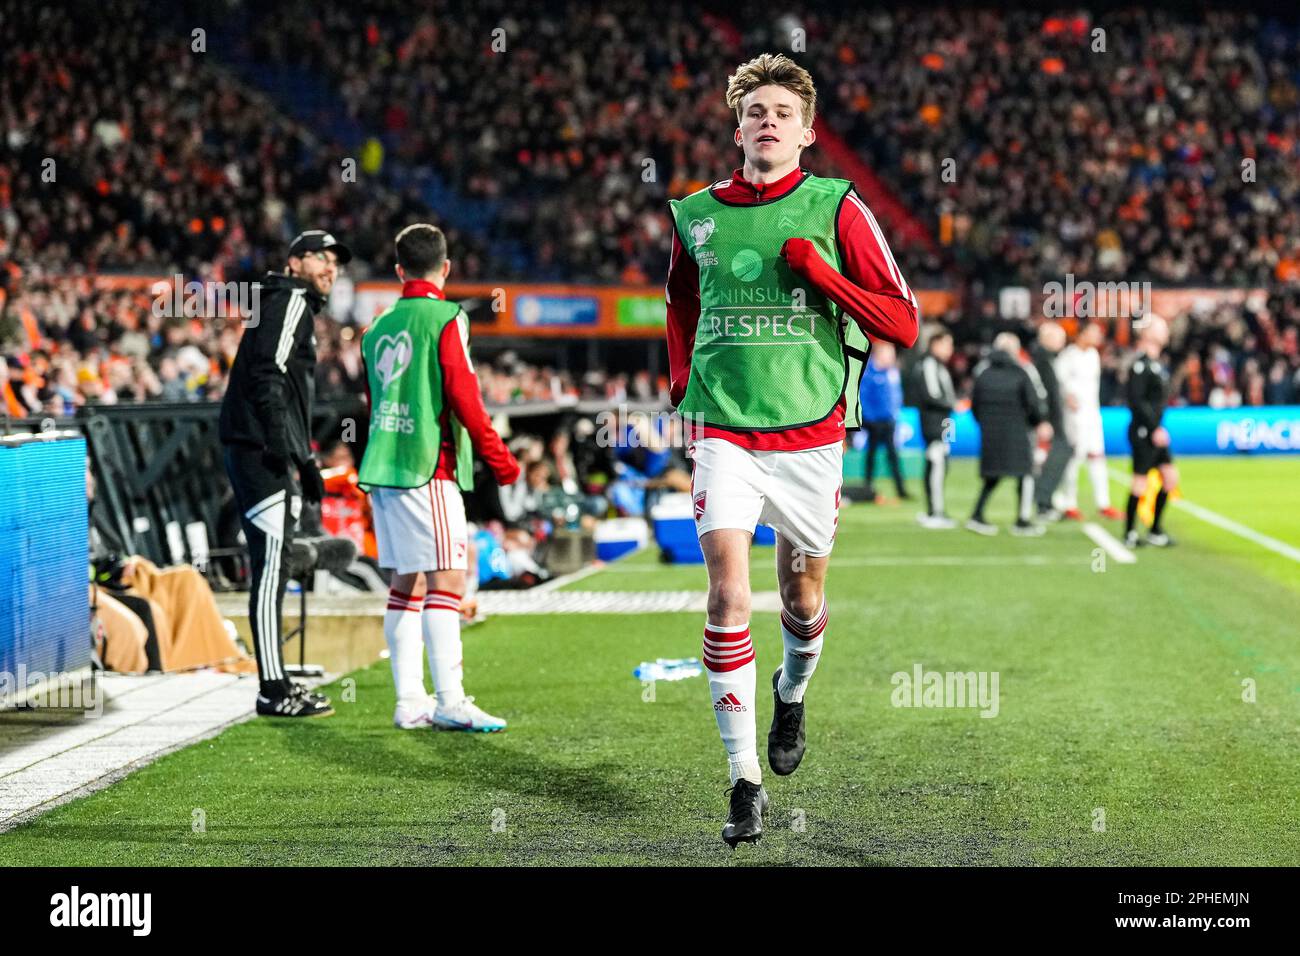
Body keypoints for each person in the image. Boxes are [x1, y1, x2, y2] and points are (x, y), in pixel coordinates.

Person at [665, 53, 918, 846]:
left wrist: (824, 277)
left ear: (807, 132)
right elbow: (679, 301)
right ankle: (743, 782)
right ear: (737, 127)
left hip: (810, 432)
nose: (767, 121)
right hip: (724, 428)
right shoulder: (696, 213)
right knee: (726, 599)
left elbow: (902, 321)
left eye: (782, 111)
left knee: (801, 601)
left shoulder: (838, 207)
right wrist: (681, 379)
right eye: (754, 111)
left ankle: (793, 691)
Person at [357, 223, 521, 732]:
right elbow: (464, 396)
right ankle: (450, 701)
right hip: (429, 466)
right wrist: (500, 459)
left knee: (406, 582)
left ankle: (410, 702)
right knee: (448, 579)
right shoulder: (447, 316)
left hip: (382, 466)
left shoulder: (376, 328)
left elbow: (375, 401)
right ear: (445, 268)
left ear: (399, 270)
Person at [219, 229, 351, 718]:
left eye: (335, 261)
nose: (330, 268)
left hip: (263, 447)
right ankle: (273, 690)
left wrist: (306, 459)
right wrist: (284, 448)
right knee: (271, 567)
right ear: (294, 263)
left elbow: (276, 382)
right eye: (320, 257)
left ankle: (277, 683)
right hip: (260, 450)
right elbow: (269, 376)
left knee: (273, 564)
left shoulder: (282, 300)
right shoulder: (290, 299)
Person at [967, 332, 1049, 536]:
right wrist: (1037, 422)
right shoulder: (1021, 372)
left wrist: (985, 424)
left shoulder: (983, 373)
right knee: (1026, 475)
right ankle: (1022, 520)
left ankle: (977, 515)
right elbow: (1033, 403)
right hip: (1017, 432)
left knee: (992, 476)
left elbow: (974, 405)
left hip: (990, 433)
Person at [1055, 321, 1120, 520]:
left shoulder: (1093, 355)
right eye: (1094, 333)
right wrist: (1068, 397)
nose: (1098, 337)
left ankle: (1104, 503)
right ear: (1081, 335)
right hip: (1075, 416)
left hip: (1093, 413)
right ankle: (1070, 503)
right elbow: (1059, 383)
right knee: (1075, 457)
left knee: (1097, 456)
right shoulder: (1067, 356)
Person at [1124, 315, 1178, 548]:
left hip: (1156, 431)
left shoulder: (1157, 364)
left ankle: (1155, 530)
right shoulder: (1140, 365)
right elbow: (1137, 401)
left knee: (1169, 478)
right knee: (1140, 482)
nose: (1166, 331)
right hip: (1144, 432)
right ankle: (1129, 533)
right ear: (1147, 333)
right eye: (1161, 327)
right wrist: (1154, 428)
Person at [912, 329, 956, 528]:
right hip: (934, 422)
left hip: (945, 422)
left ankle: (938, 510)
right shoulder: (929, 364)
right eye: (947, 344)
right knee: (936, 465)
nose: (950, 349)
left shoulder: (939, 366)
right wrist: (952, 403)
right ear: (935, 344)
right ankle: (934, 511)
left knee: (943, 464)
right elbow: (932, 395)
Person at [859, 341, 909, 502]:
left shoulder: (892, 372)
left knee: (893, 456)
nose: (892, 356)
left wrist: (895, 413)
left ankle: (901, 489)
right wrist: (870, 418)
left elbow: (896, 395)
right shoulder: (868, 373)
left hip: (889, 420)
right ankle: (868, 488)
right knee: (871, 456)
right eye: (889, 353)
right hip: (874, 422)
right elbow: (864, 398)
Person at [1030, 322, 1070, 518]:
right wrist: (1043, 419)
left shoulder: (1048, 359)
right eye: (1059, 338)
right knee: (1057, 453)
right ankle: (1043, 502)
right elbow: (1042, 393)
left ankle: (1045, 500)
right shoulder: (1042, 361)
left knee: (1055, 455)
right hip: (1049, 420)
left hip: (1053, 418)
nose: (1063, 342)